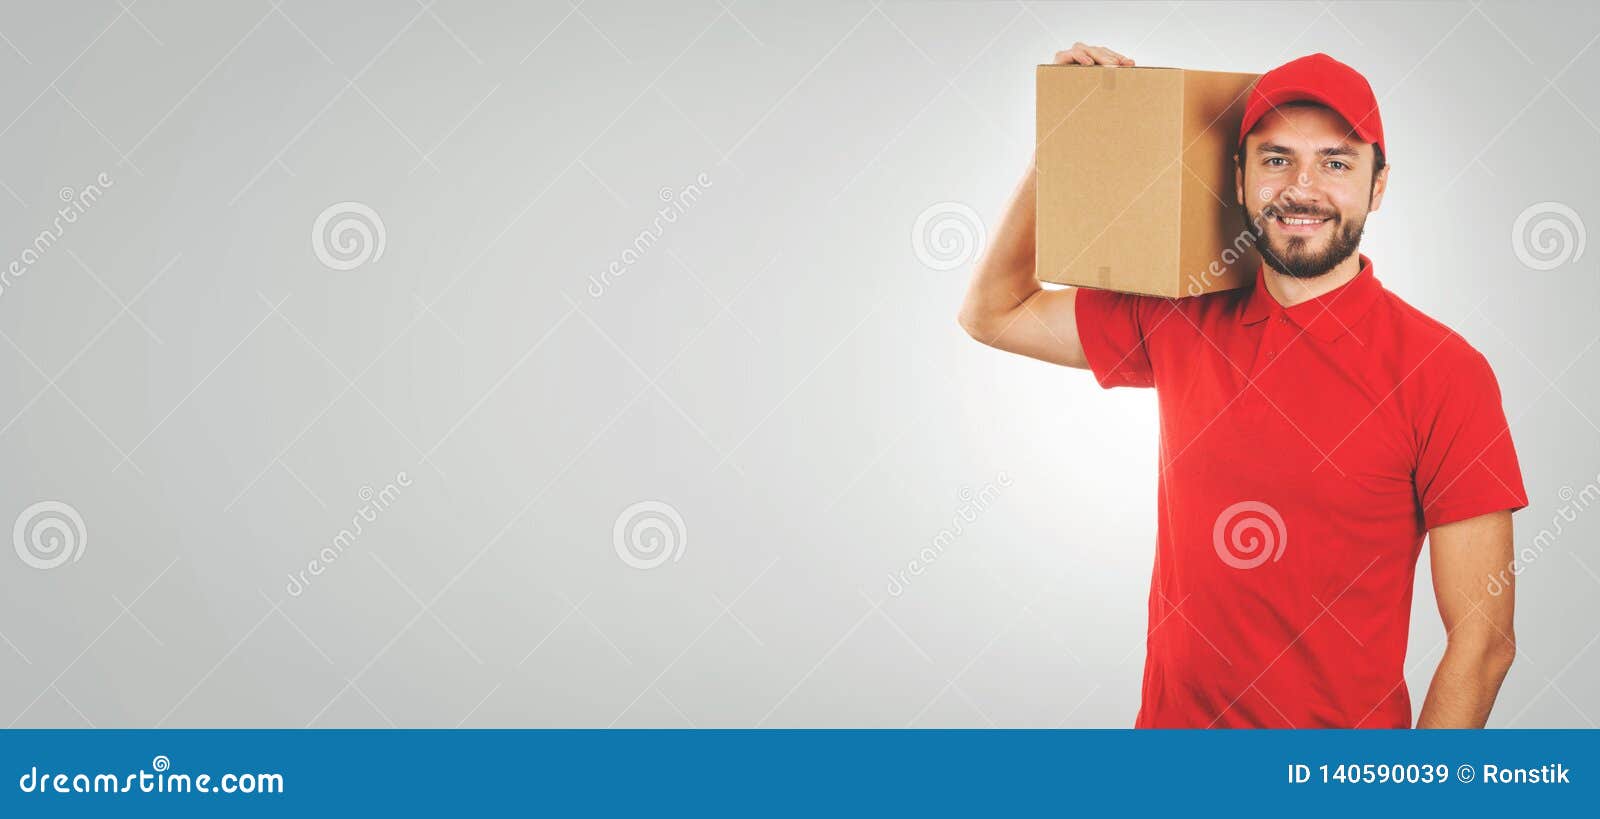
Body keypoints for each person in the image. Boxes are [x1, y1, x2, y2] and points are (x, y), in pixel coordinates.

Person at [958, 44, 1528, 728]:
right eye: (1277, 158)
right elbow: (995, 312)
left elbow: (1484, 642)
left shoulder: (1443, 372)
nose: (1303, 187)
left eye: (1337, 162)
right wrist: (1067, 141)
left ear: (1378, 186)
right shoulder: (1180, 313)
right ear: (1238, 176)